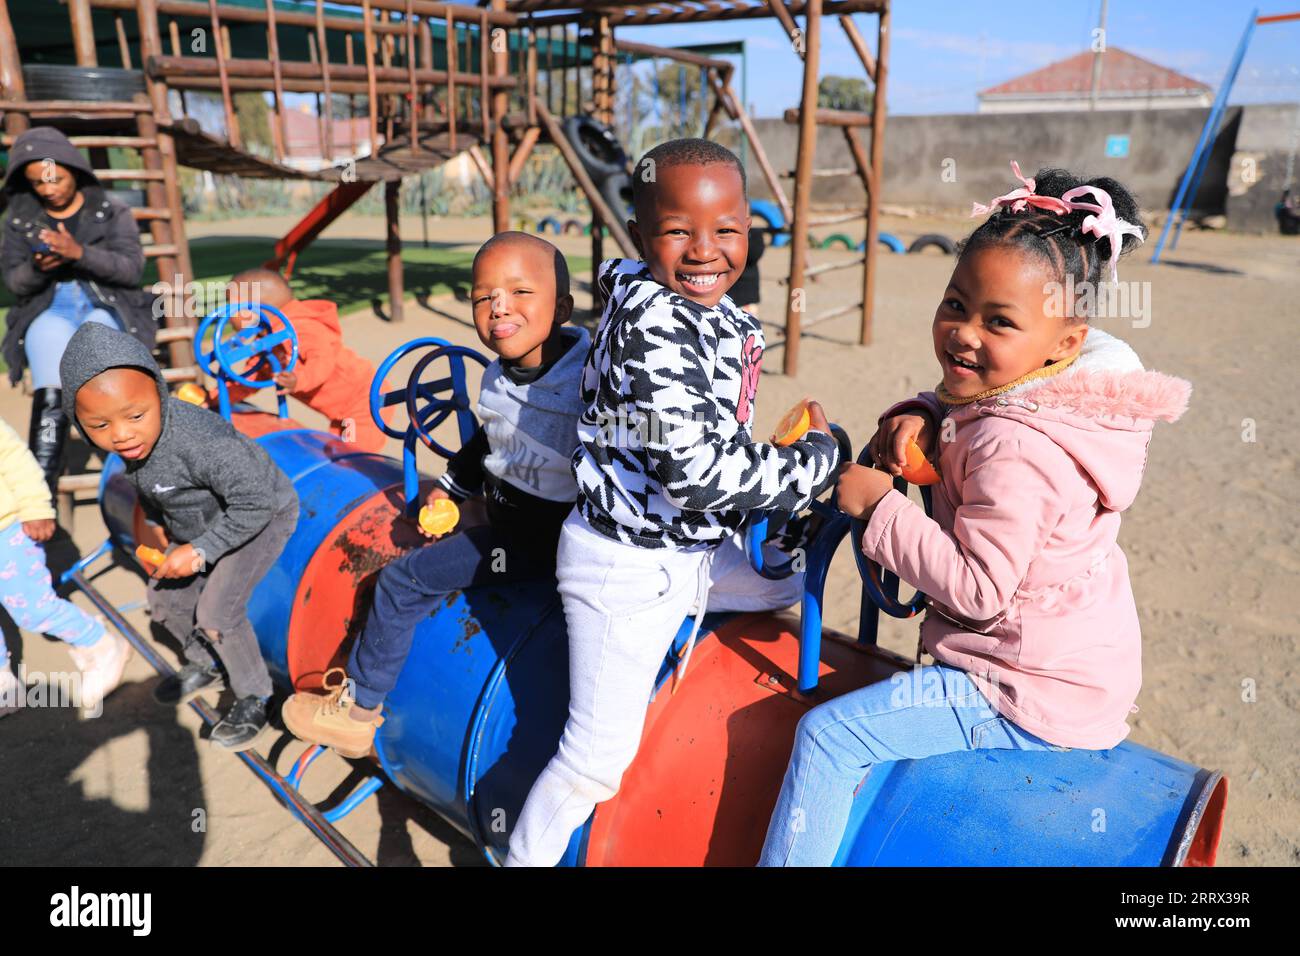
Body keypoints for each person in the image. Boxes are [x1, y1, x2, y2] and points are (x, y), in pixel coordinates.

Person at [758, 162, 1192, 866]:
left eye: (998, 321)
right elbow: (960, 398)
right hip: (1066, 670)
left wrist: (878, 510)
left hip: (1018, 688)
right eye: (956, 304)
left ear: (1064, 343)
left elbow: (978, 591)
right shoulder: (1047, 389)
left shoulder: (1017, 446)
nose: (964, 334)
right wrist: (917, 414)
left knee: (827, 738)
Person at [505, 140, 841, 866]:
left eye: (727, 230)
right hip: (624, 569)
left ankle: (692, 623)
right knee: (594, 760)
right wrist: (814, 465)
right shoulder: (653, 326)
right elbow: (696, 471)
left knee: (783, 578)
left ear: (750, 232)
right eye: (677, 230)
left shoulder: (714, 314)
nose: (704, 250)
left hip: (689, 551)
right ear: (641, 233)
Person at [280, 232, 588, 757]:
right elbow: (489, 437)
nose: (499, 308)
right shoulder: (498, 374)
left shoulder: (591, 382)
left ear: (561, 306)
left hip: (542, 543)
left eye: (519, 292)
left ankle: (358, 710)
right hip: (506, 520)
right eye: (483, 296)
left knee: (402, 579)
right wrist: (449, 487)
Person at [60, 322, 299, 751]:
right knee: (164, 601)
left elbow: (256, 501)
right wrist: (159, 529)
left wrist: (201, 550)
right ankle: (206, 663)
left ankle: (255, 696)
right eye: (98, 425)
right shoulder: (134, 443)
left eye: (134, 416)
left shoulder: (202, 442)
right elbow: (150, 485)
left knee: (217, 613)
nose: (120, 434)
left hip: (261, 514)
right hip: (198, 522)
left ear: (159, 395)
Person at [1, 127, 155, 491]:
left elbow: (131, 269)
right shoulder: (19, 220)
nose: (48, 189)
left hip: (105, 303)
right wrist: (39, 267)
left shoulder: (110, 210)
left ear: (75, 170)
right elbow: (14, 283)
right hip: (49, 307)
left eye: (56, 179)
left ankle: (138, 479)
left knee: (103, 364)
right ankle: (42, 492)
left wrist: (79, 254)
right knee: (50, 380)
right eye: (37, 183)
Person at [0, 418, 131, 718]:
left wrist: (35, 506)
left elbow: (12, 456)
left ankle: (99, 644)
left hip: (6, 530)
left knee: (32, 608)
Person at [216, 268, 390, 452]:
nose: (227, 314)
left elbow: (322, 361)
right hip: (341, 410)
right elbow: (249, 379)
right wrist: (214, 398)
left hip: (364, 400)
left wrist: (299, 380)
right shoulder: (265, 340)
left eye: (231, 304)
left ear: (251, 307)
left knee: (353, 457)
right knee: (335, 452)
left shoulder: (303, 327)